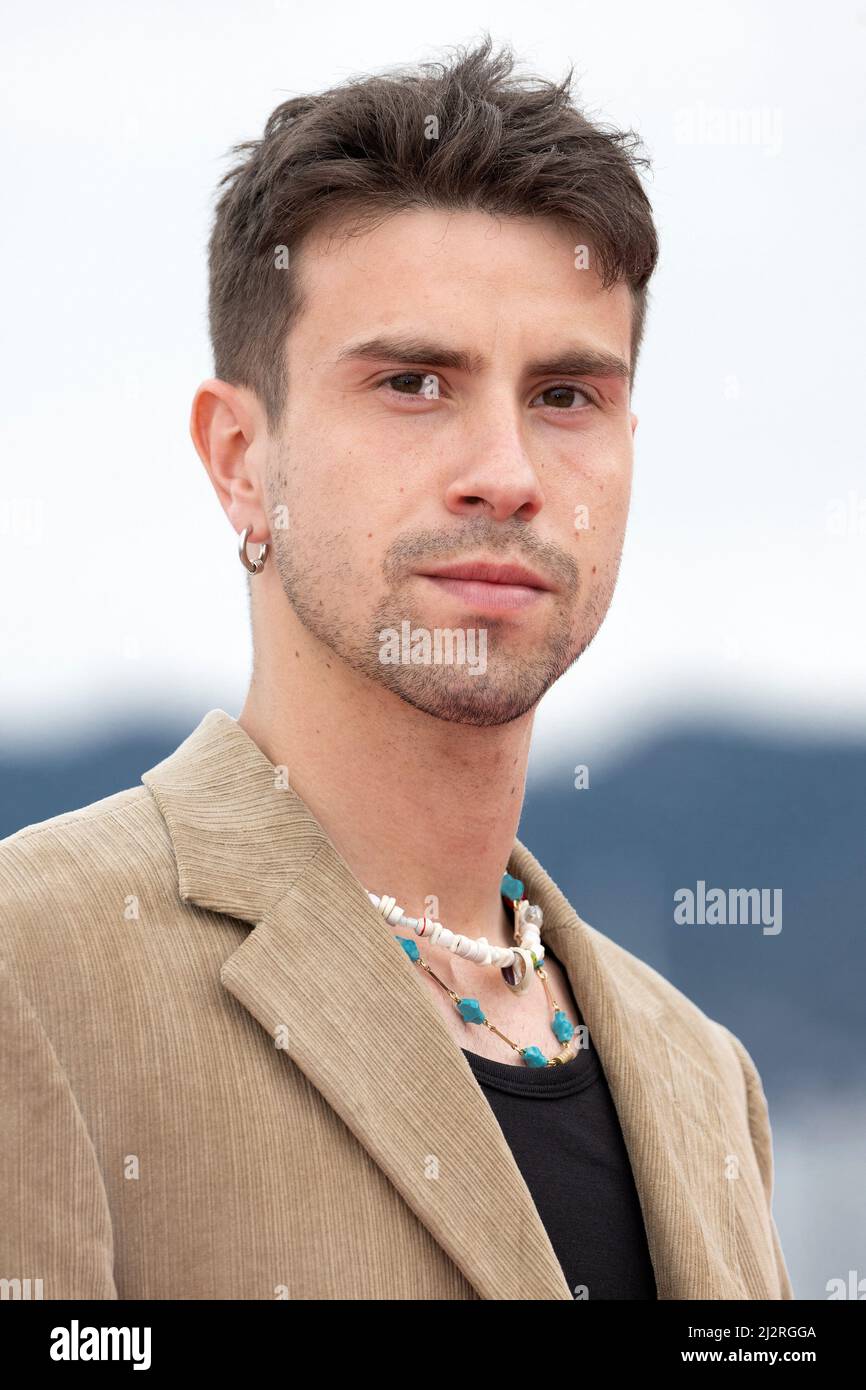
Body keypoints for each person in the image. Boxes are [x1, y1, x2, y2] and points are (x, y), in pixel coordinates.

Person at [0, 36, 793, 1300]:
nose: (509, 470)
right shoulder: (31, 969)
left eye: (568, 394)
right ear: (237, 458)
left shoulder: (706, 1081)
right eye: (415, 382)